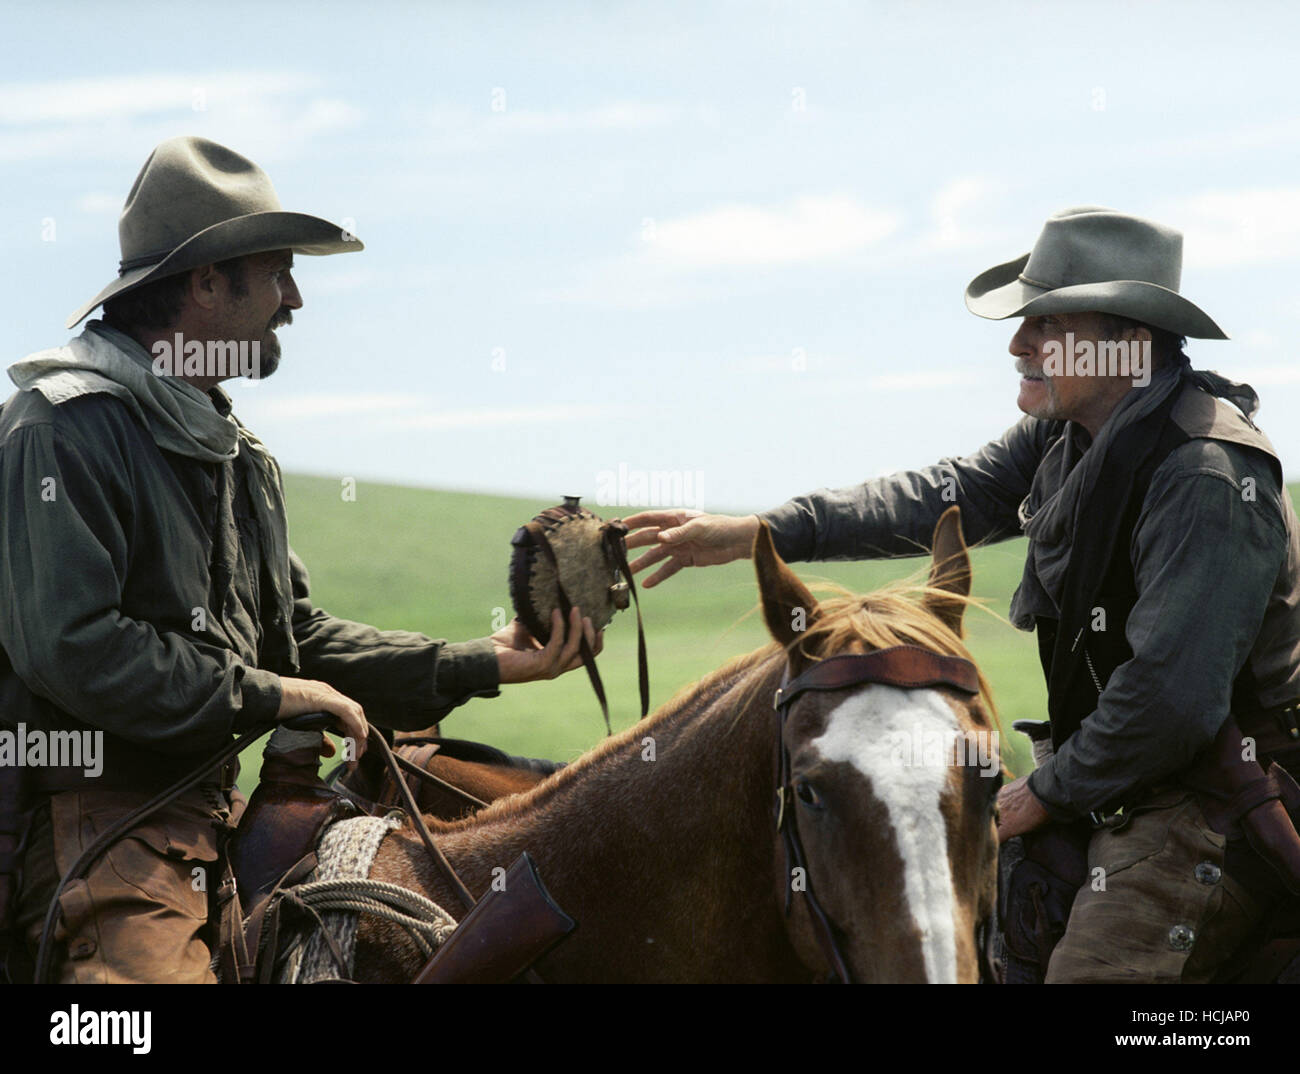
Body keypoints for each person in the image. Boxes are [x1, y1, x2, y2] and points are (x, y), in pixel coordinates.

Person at [623, 206, 1300, 983]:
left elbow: (1172, 701)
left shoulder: (1206, 475)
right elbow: (946, 494)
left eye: (1048, 323)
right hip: (1113, 773)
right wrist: (762, 532)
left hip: (1207, 801)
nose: (1018, 344)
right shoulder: (1073, 432)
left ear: (1127, 341)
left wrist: (1043, 792)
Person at [0, 136, 599, 984]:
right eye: (277, 272)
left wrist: (487, 662)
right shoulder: (61, 428)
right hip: (98, 822)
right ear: (207, 283)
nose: (295, 298)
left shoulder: (235, 453)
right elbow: (76, 647)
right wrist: (271, 695)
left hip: (211, 815)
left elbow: (294, 641)